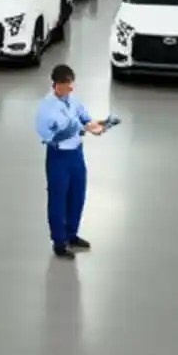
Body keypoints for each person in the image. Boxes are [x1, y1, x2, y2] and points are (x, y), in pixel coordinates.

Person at [35, 64, 105, 260]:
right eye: (66, 84)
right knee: (58, 199)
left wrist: (97, 126)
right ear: (56, 85)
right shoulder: (46, 107)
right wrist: (76, 130)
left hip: (76, 154)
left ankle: (71, 234)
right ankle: (59, 242)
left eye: (71, 83)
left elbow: (85, 119)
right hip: (58, 157)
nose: (70, 88)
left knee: (77, 195)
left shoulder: (75, 101)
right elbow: (48, 135)